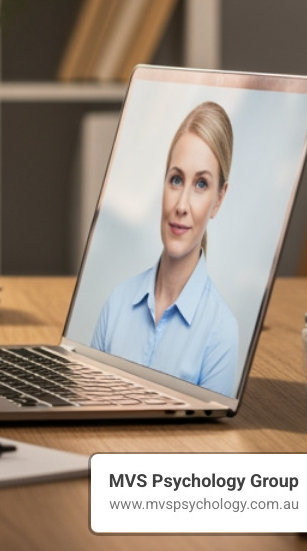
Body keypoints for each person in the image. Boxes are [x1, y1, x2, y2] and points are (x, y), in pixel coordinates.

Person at [89, 101, 240, 396]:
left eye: (201, 184)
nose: (181, 206)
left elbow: (205, 442)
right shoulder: (117, 304)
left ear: (219, 200)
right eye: (176, 179)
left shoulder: (220, 332)